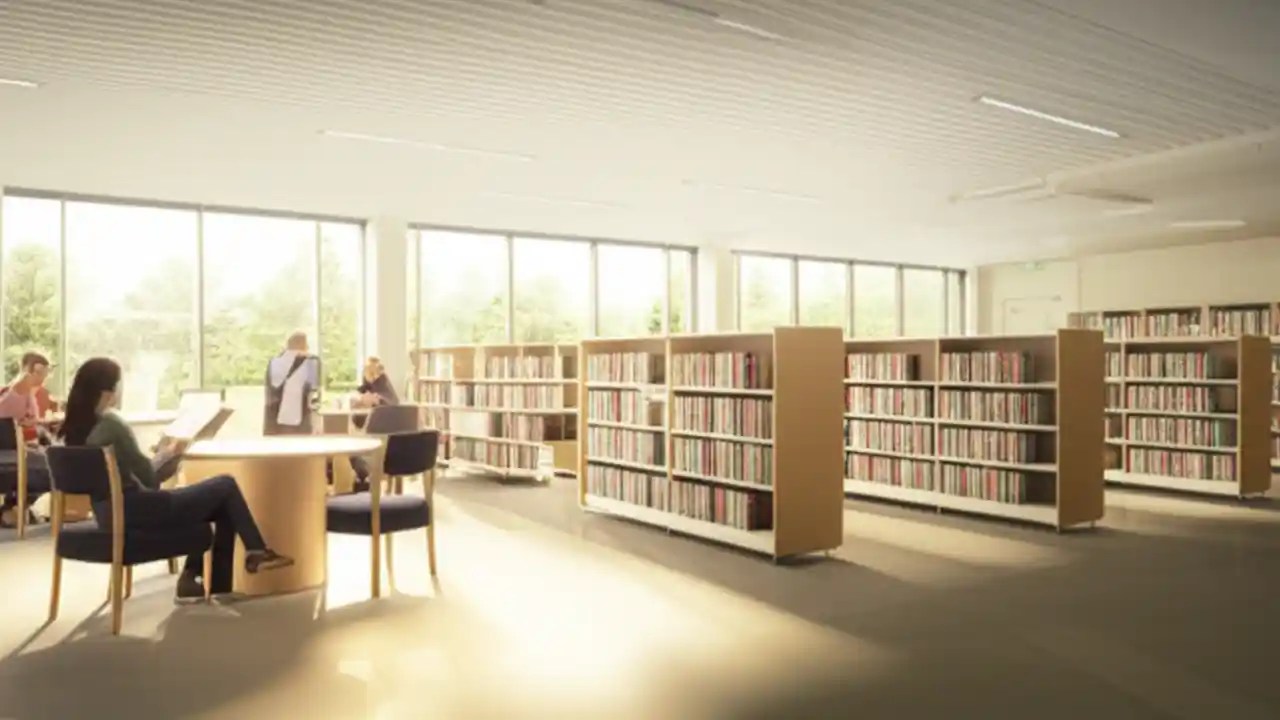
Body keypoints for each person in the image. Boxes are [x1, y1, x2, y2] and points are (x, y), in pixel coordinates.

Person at [60, 357, 293, 602]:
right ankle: (252, 553)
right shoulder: (113, 424)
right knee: (225, 485)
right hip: (140, 509)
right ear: (109, 390)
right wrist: (169, 453)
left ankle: (201, 582)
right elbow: (150, 479)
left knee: (220, 502)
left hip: (108, 514)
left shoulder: (78, 429)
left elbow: (130, 474)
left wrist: (164, 457)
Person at [0, 352, 53, 528]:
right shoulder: (15, 391)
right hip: (14, 451)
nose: (42, 378)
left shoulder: (32, 393)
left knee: (49, 457)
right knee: (49, 464)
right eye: (39, 373)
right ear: (27, 371)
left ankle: (13, 508)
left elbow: (31, 419)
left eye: (45, 373)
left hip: (25, 445)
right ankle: (12, 508)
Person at [264, 331, 319, 436]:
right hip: (301, 419)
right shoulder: (311, 362)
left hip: (275, 420)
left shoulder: (273, 362)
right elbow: (314, 393)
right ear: (304, 345)